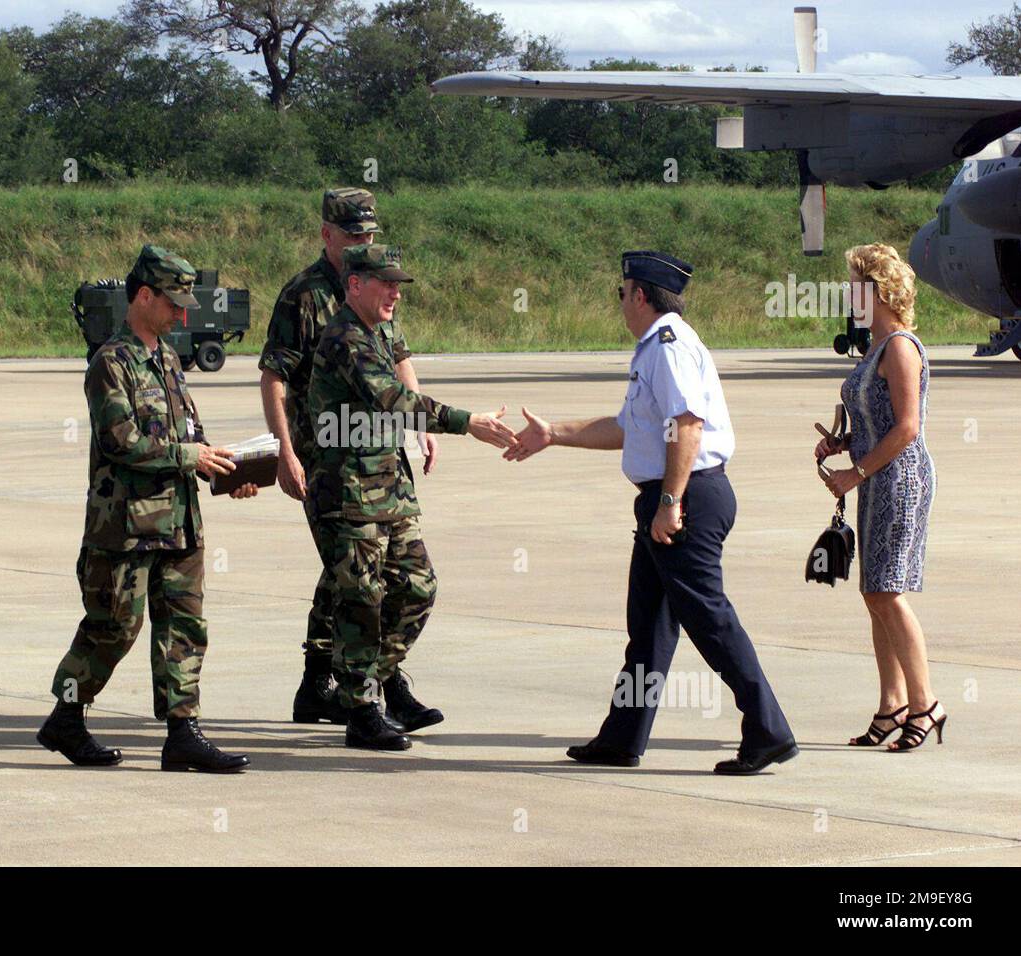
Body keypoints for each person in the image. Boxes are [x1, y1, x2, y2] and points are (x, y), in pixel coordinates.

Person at [504, 251, 797, 775]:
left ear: (639, 294)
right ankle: (622, 737)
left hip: (685, 497)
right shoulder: (656, 347)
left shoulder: (667, 346)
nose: (619, 302)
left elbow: (687, 425)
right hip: (670, 496)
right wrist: (554, 434)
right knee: (649, 626)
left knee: (709, 618)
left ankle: (768, 729)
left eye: (621, 292)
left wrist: (669, 502)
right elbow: (629, 429)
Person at [38, 245, 258, 773]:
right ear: (143, 296)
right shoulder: (110, 362)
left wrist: (226, 470)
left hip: (180, 524)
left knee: (184, 628)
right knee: (113, 627)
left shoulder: (168, 360)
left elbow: (189, 436)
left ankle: (183, 733)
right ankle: (66, 717)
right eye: (173, 303)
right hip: (126, 528)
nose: (182, 315)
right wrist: (190, 455)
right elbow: (121, 440)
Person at [308, 244, 516, 750]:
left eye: (399, 283)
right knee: (361, 599)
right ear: (355, 284)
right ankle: (360, 711)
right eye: (386, 282)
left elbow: (402, 384)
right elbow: (393, 400)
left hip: (388, 488)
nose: (396, 292)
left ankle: (363, 687)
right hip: (349, 492)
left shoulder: (379, 331)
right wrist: (467, 422)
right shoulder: (345, 338)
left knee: (418, 587)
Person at [259, 188, 440, 725]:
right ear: (326, 235)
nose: (361, 242)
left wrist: (419, 428)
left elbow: (399, 357)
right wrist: (283, 452)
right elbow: (275, 374)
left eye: (368, 234)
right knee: (356, 577)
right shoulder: (304, 295)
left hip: (379, 459)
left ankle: (336, 683)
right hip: (326, 462)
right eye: (352, 235)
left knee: (364, 574)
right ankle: (359, 687)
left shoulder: (378, 287)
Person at [816, 243, 943, 751]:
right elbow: (879, 420)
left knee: (888, 590)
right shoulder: (874, 346)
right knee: (874, 593)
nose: (850, 294)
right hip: (876, 475)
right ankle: (891, 705)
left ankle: (926, 704)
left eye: (856, 286)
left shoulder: (901, 348)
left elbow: (908, 427)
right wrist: (842, 443)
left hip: (901, 481)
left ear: (881, 292)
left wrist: (855, 472)